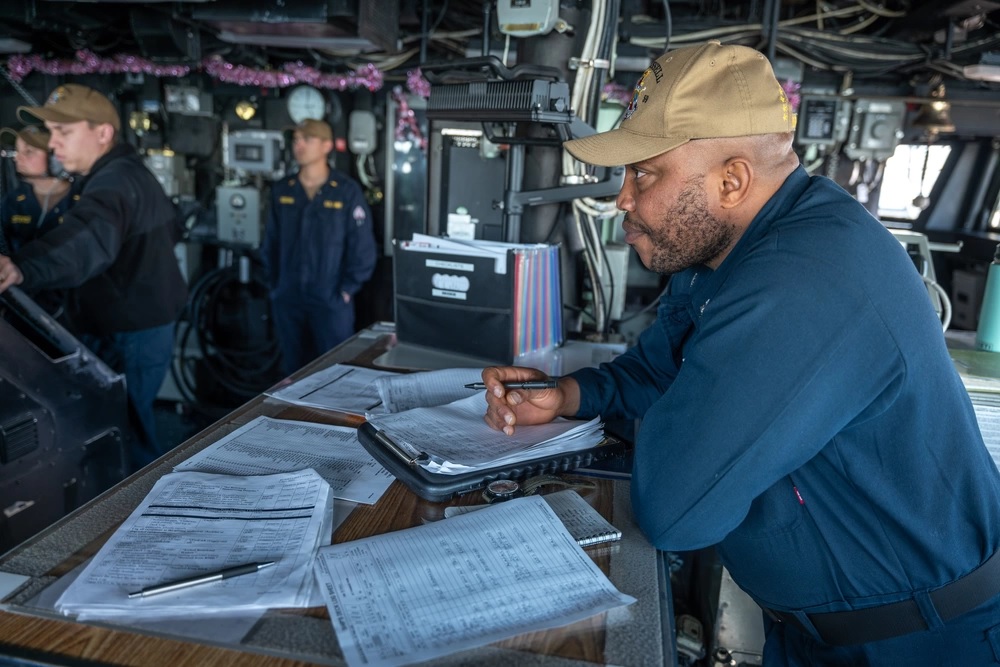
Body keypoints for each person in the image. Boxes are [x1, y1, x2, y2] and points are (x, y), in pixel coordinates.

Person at [481, 41, 1000, 665]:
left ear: (732, 180)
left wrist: (674, 422)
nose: (622, 199)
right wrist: (569, 395)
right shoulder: (726, 253)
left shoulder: (803, 280)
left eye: (644, 173)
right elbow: (654, 372)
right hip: (811, 629)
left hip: (917, 641)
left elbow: (678, 510)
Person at [0, 84, 188, 473]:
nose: (53, 145)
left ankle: (142, 519)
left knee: (126, 435)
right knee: (123, 428)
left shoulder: (114, 181)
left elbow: (89, 239)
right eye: (51, 133)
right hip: (136, 323)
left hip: (132, 330)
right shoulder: (121, 175)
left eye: (63, 132)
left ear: (103, 133)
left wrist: (20, 268)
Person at [261, 118, 377, 376]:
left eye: (307, 139)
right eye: (296, 140)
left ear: (326, 145)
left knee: (335, 372)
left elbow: (363, 248)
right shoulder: (283, 190)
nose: (299, 145)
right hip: (288, 297)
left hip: (330, 299)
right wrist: (275, 286)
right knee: (292, 372)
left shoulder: (345, 191)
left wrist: (347, 290)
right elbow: (270, 243)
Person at [0, 124, 77, 314]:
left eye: (29, 151)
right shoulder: (12, 202)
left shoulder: (84, 200)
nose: (18, 158)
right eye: (17, 151)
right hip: (24, 309)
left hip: (76, 314)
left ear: (55, 158)